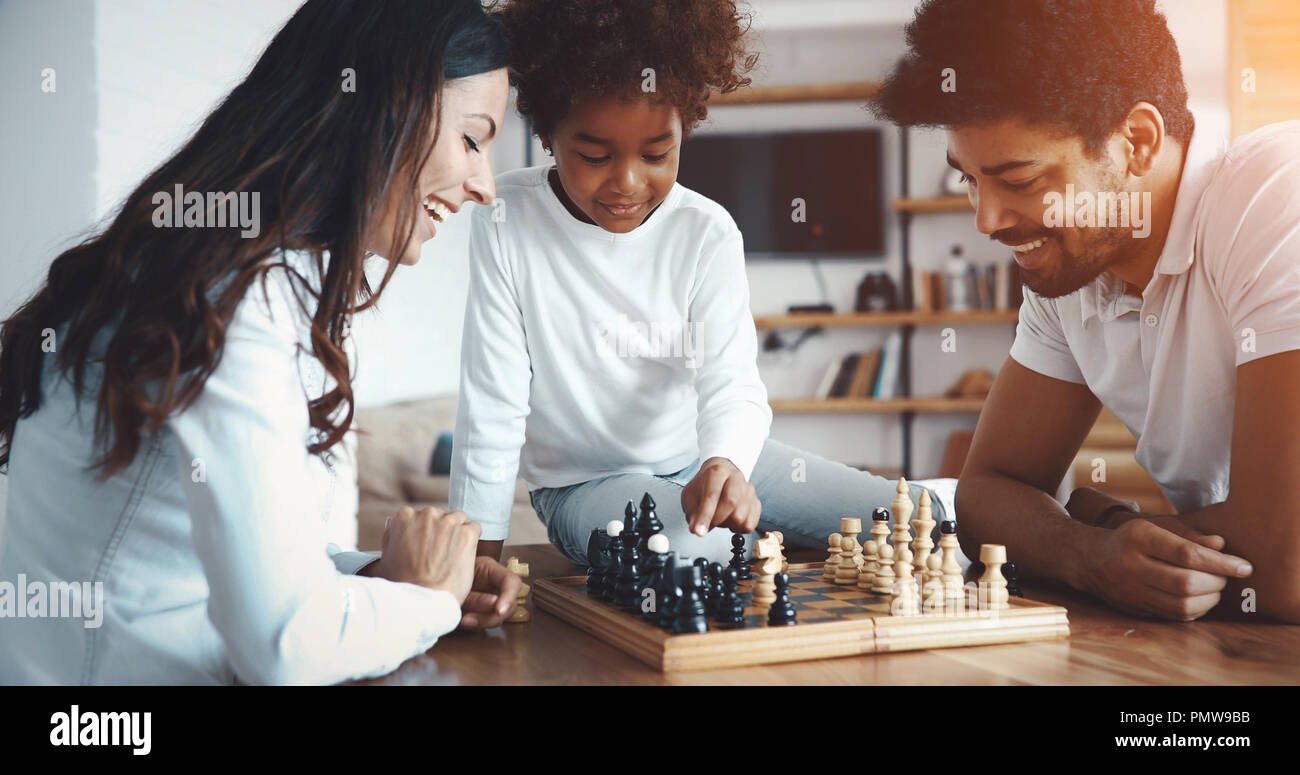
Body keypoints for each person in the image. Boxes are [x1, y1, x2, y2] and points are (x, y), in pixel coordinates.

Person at [0, 0, 518, 685]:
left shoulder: (225, 270)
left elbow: (229, 563)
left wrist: (391, 576)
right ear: (384, 102)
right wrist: (426, 599)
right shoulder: (235, 300)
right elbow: (282, 645)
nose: (484, 185)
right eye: (474, 139)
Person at [450, 0, 950, 568]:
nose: (628, 182)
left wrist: (727, 461)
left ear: (685, 129)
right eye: (593, 155)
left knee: (923, 520)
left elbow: (731, 382)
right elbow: (494, 400)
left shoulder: (707, 231)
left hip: (707, 457)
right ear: (546, 134)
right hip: (584, 485)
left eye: (658, 152)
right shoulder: (505, 217)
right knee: (696, 550)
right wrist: (478, 552)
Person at [872, 0, 1300, 623]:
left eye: (1018, 181)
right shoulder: (1070, 272)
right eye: (968, 178)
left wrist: (1109, 516)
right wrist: (1090, 552)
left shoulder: (1275, 192)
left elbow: (1286, 566)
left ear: (1138, 141)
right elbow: (986, 495)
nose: (986, 219)